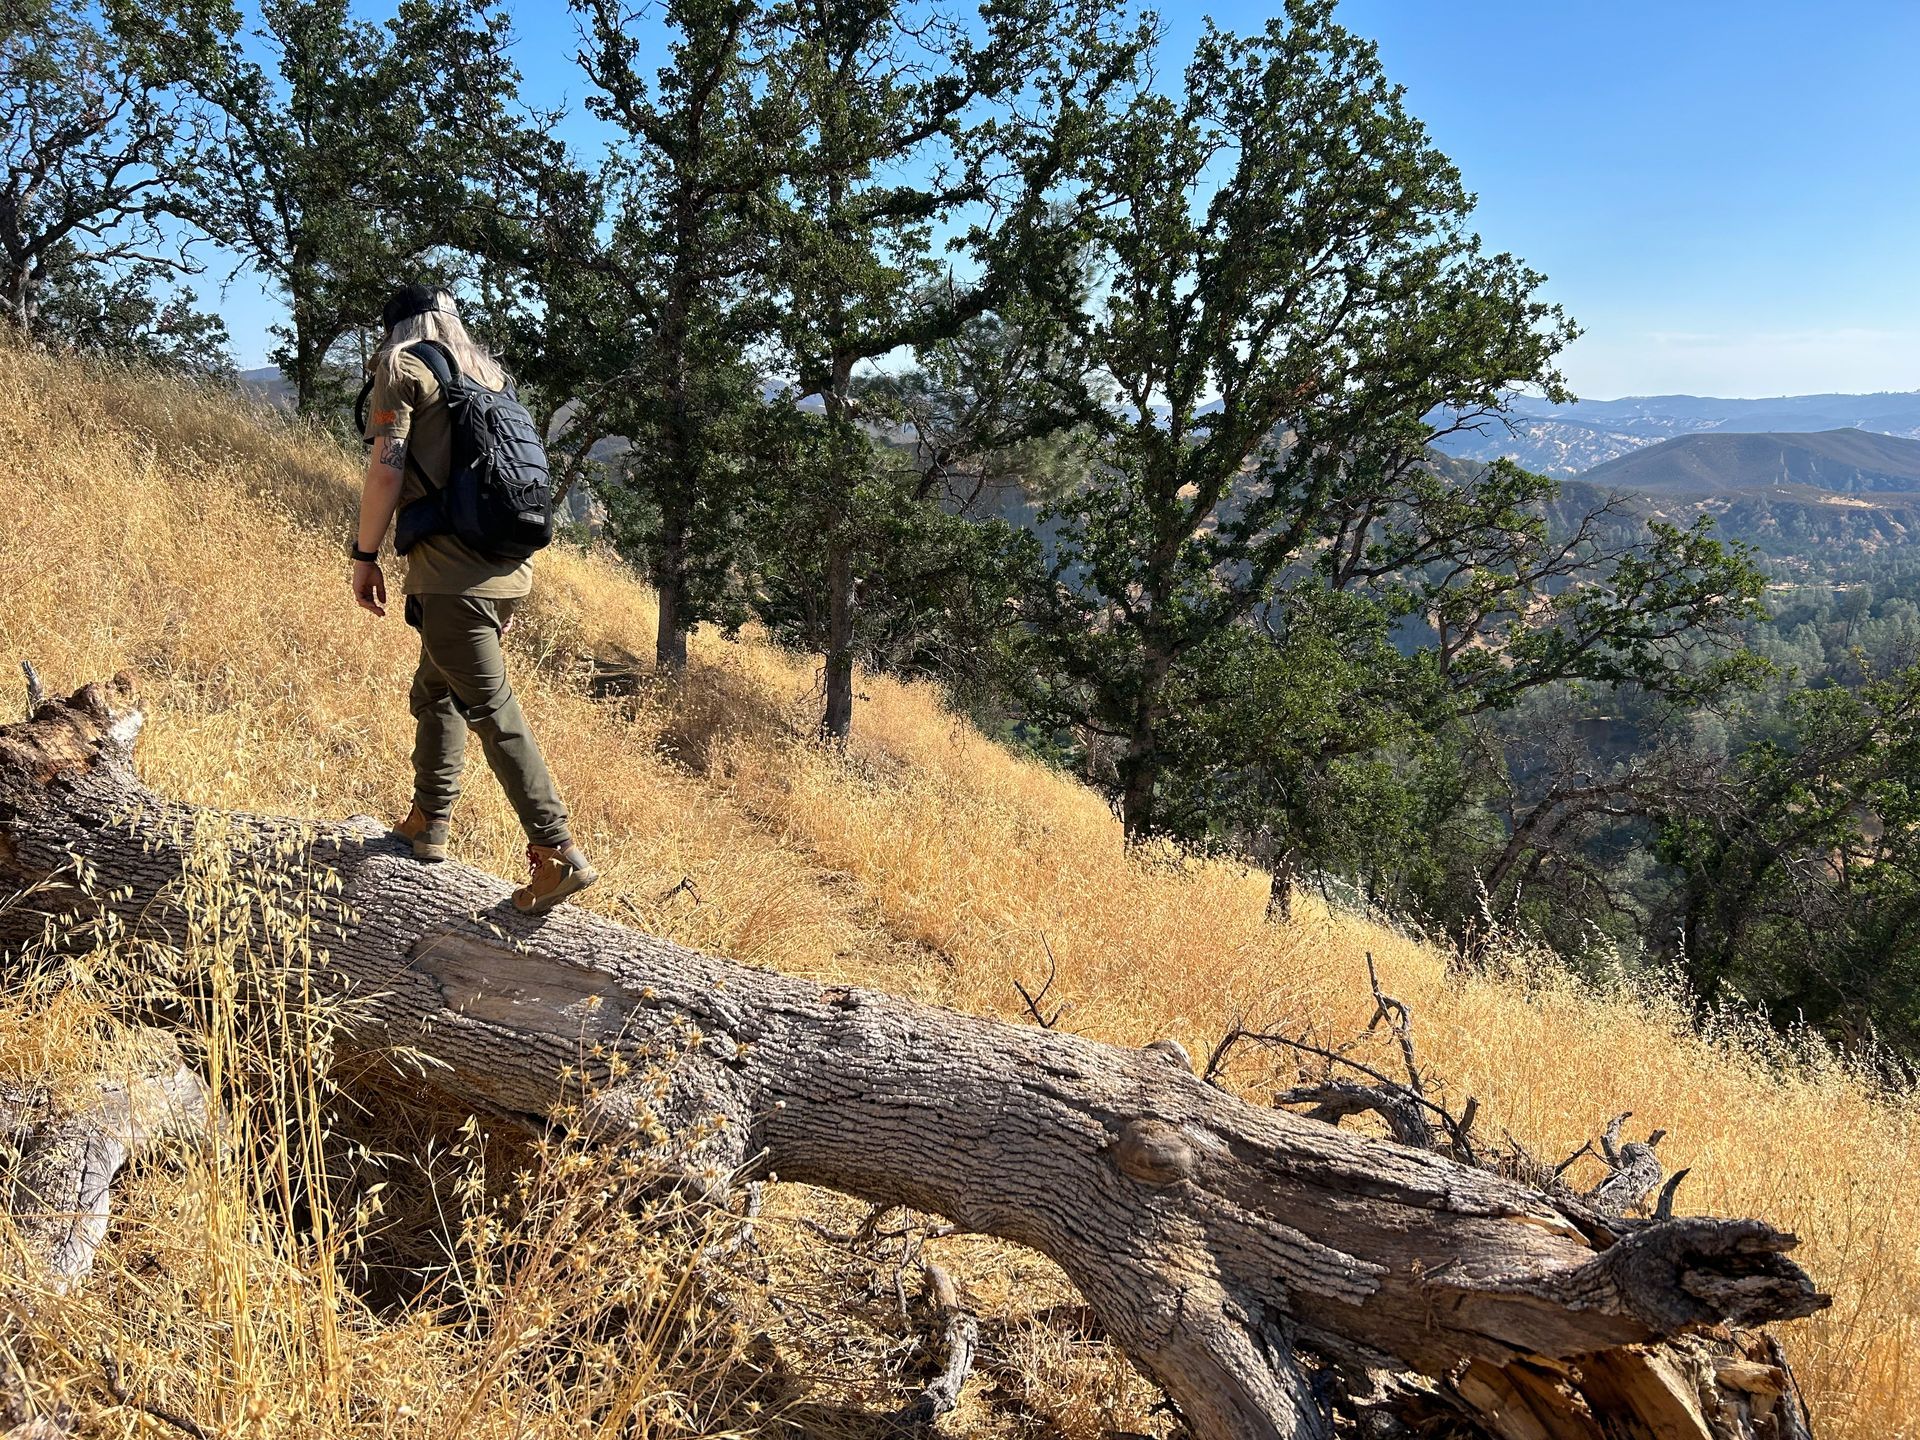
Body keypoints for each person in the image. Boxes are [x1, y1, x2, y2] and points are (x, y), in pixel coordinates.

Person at [350, 282, 596, 916]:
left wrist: (364, 556)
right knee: (437, 690)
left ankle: (557, 851)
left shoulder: (402, 366)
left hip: (451, 578)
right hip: (505, 573)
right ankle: (427, 822)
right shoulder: (490, 375)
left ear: (394, 326)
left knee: (489, 705)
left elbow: (386, 466)